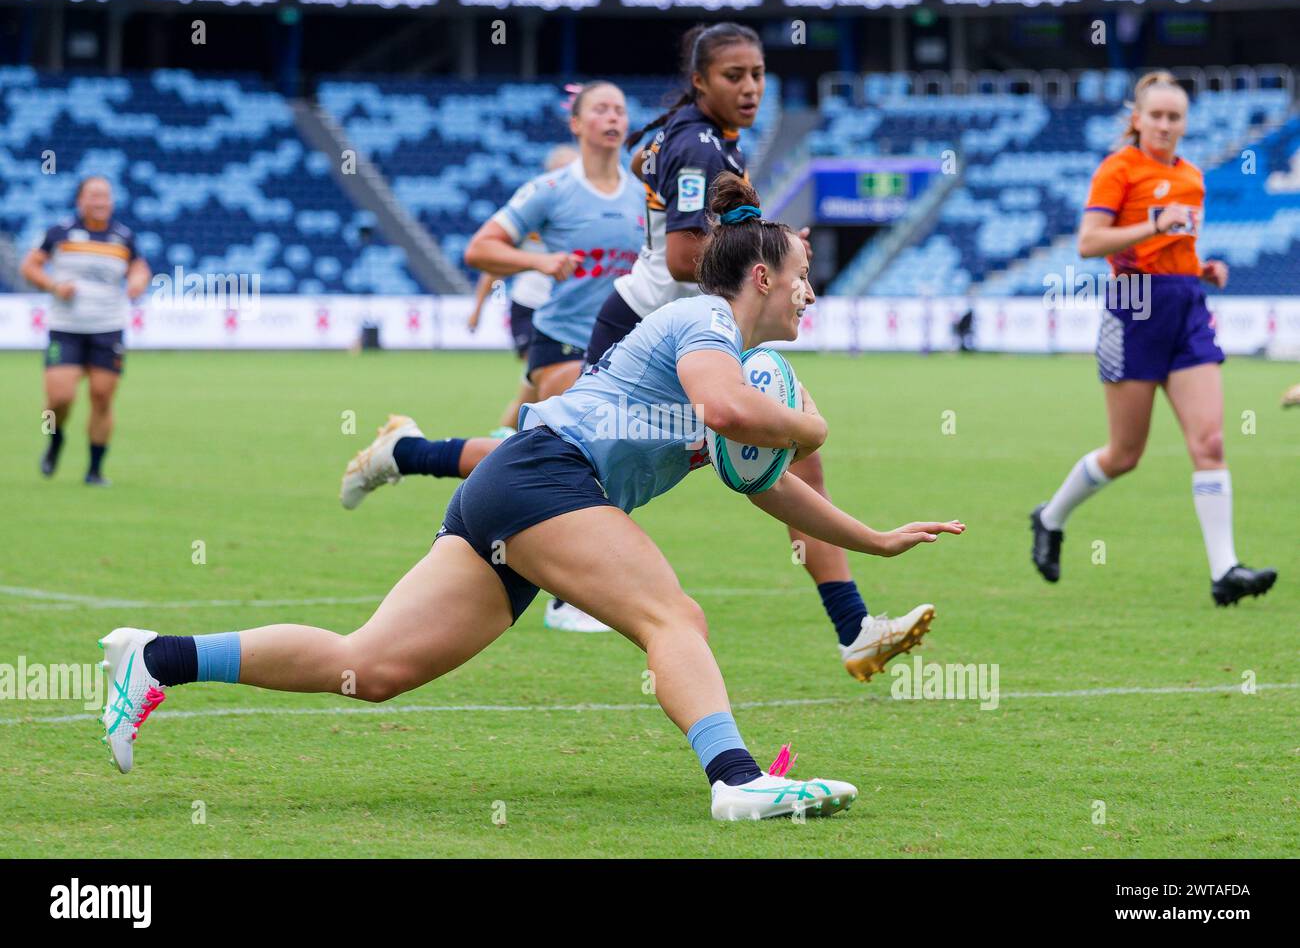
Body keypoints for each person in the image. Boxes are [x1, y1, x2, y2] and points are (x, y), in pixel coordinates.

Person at [96, 175, 964, 821]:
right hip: (546, 476)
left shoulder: (737, 358)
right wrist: (813, 430)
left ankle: (154, 657)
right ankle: (739, 783)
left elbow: (763, 484)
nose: (814, 293)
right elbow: (735, 414)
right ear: (764, 278)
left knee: (374, 667)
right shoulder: (706, 326)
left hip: (514, 487)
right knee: (675, 619)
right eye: (806, 274)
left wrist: (874, 540)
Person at [584, 21, 938, 678]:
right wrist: (758, 253)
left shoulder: (707, 141)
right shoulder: (699, 147)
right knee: (573, 463)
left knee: (793, 463)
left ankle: (855, 627)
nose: (750, 89)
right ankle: (413, 455)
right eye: (733, 76)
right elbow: (689, 255)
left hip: (697, 340)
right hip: (652, 335)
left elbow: (648, 168)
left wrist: (766, 244)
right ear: (700, 81)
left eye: (757, 75)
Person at [341, 84, 642, 633]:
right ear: (575, 123)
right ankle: (566, 598)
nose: (612, 117)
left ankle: (406, 452)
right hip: (563, 344)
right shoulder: (550, 190)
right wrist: (541, 260)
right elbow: (480, 249)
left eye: (621, 109)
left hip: (620, 352)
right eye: (600, 108)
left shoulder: (642, 195)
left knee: (537, 458)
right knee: (587, 453)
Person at [1030, 71, 1277, 607]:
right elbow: (1089, 243)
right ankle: (1050, 518)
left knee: (1209, 443)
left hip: (1185, 307)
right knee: (1124, 454)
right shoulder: (1117, 170)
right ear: (1138, 119)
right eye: (1156, 115)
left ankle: (1225, 570)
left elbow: (1178, 246)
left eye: (1175, 117)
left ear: (1186, 123)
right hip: (1133, 309)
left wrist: (1202, 268)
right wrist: (1153, 225)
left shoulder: (1192, 176)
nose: (1165, 125)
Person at [20, 176, 151, 486]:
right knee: (59, 398)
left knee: (102, 397)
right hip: (67, 328)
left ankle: (94, 470)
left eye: (105, 196)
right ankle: (54, 441)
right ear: (80, 200)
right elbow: (30, 266)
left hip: (108, 327)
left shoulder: (123, 237)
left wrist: (137, 281)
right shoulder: (59, 232)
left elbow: (140, 267)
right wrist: (54, 285)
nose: (100, 201)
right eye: (94, 195)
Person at [465, 144, 579, 437]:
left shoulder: (583, 213)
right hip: (529, 306)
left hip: (569, 309)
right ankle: (526, 445)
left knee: (537, 383)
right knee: (549, 381)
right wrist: (477, 308)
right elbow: (491, 262)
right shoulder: (531, 212)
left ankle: (503, 442)